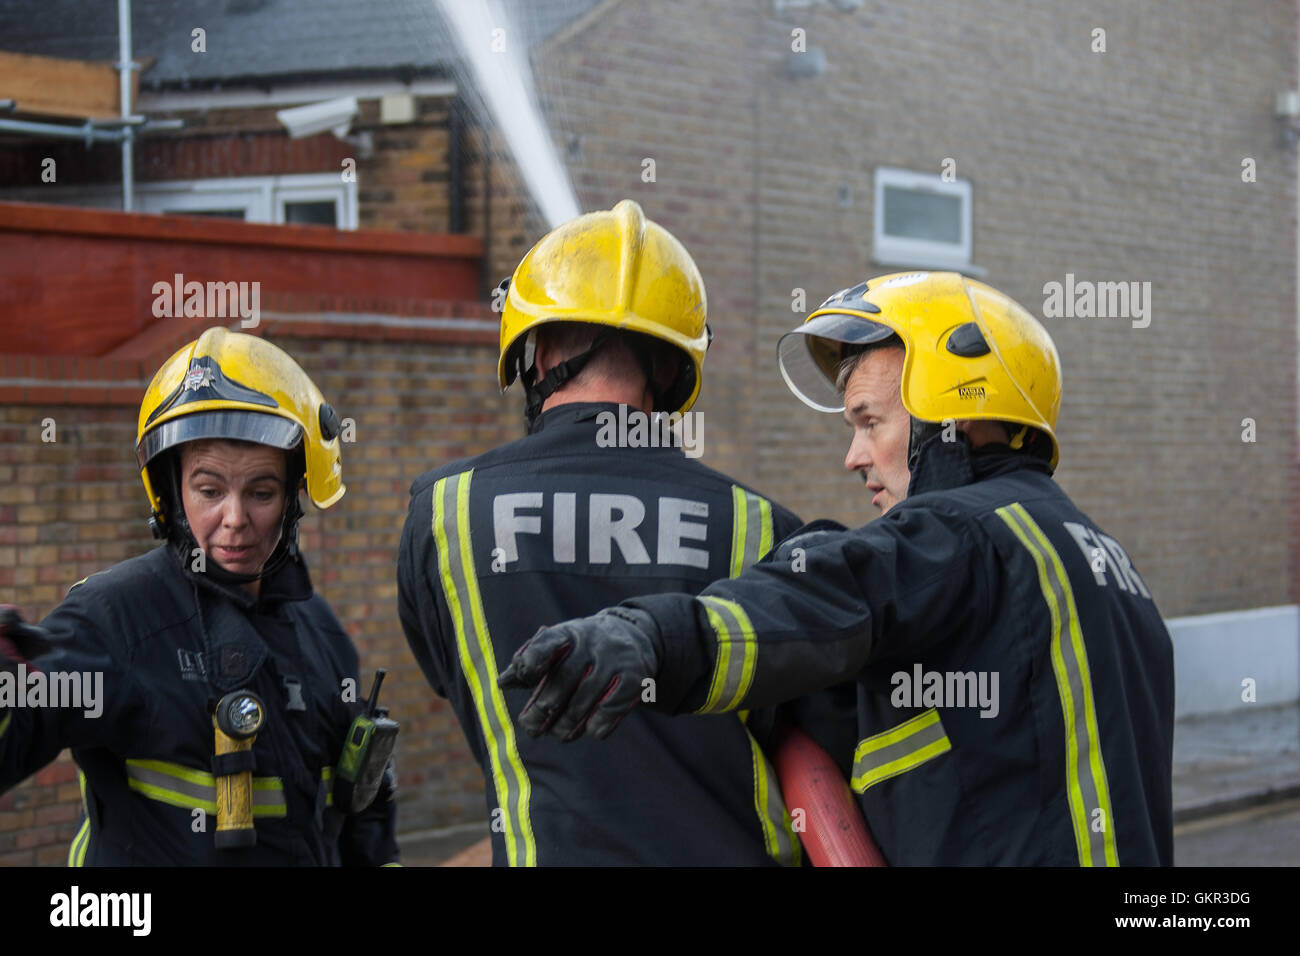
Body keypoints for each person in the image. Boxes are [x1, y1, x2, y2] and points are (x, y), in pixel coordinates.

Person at [499, 271, 1176, 866]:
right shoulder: (1101, 563)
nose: (854, 457)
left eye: (870, 421)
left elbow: (827, 595)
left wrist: (651, 639)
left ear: (953, 416)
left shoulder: (964, 536)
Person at [398, 199, 853, 865]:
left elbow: (455, 681)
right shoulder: (760, 526)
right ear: (672, 370)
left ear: (537, 348)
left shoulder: (442, 513)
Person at [0, 328, 399, 865]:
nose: (235, 520)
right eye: (209, 490)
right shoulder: (116, 619)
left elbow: (361, 819)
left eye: (261, 492)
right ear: (170, 491)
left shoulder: (319, 631)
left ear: (293, 498)